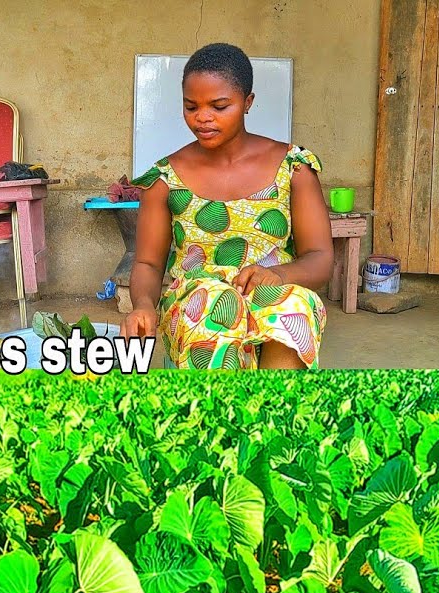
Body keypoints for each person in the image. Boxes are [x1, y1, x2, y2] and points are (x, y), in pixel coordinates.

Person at [120, 43, 333, 369]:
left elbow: (319, 257)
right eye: (191, 107)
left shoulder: (293, 168)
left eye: (219, 106)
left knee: (293, 308)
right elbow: (148, 263)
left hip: (273, 292)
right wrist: (143, 305)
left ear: (248, 102)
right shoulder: (164, 178)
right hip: (197, 300)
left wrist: (276, 274)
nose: (203, 117)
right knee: (215, 305)